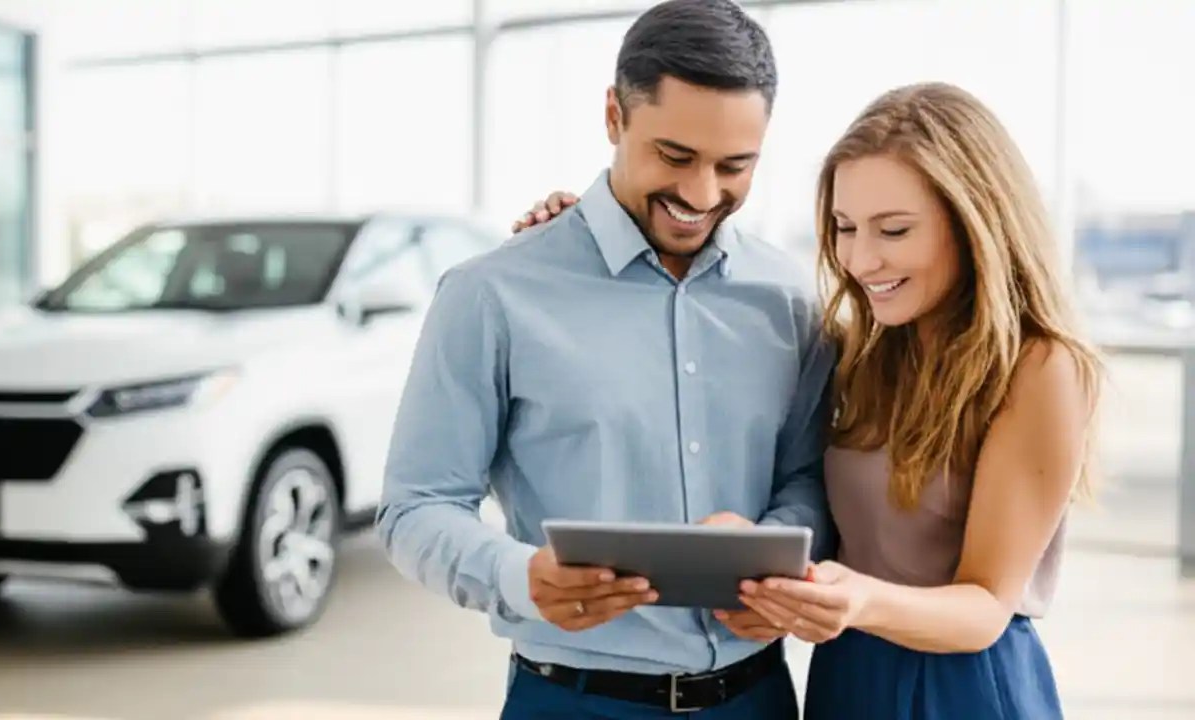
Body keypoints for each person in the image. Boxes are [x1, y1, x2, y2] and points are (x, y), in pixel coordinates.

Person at [513, 81, 1102, 719]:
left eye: (894, 230)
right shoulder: (867, 351)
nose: (861, 259)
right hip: (849, 672)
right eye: (845, 228)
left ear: (976, 222)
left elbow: (986, 607)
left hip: (960, 685)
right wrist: (585, 234)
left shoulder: (1040, 369)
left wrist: (857, 600)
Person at [377, 1, 833, 717]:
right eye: (675, 156)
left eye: (734, 166)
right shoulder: (490, 294)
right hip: (571, 700)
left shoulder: (790, 299)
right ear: (615, 117)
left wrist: (773, 552)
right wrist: (521, 574)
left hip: (760, 698)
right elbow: (415, 507)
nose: (701, 194)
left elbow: (809, 476)